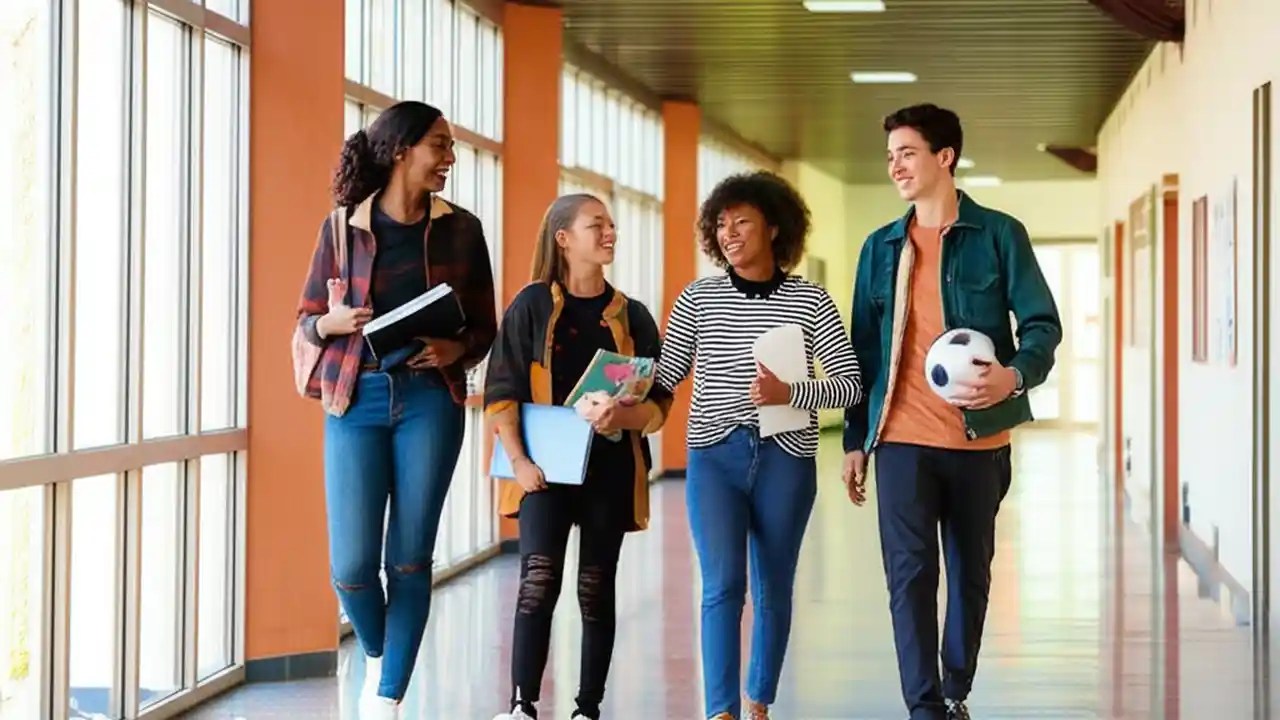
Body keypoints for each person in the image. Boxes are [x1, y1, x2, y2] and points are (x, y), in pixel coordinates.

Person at [841, 103, 1062, 720]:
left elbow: (1042, 324)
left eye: (907, 153)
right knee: (908, 579)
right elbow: (861, 348)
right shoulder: (879, 247)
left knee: (969, 576)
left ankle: (954, 687)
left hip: (978, 443)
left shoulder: (999, 235)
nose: (896, 167)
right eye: (890, 156)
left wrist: (1014, 379)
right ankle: (924, 707)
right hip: (901, 440)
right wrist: (855, 440)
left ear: (945, 157)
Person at [292, 101, 497, 720]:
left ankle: (387, 699)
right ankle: (382, 652)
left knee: (408, 558)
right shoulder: (339, 230)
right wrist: (332, 321)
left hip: (432, 402)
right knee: (352, 567)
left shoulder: (463, 230)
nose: (450, 160)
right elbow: (305, 321)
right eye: (440, 146)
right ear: (401, 150)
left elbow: (484, 325)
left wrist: (454, 347)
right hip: (355, 397)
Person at [656, 171, 863, 720]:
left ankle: (758, 701)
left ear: (773, 228)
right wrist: (617, 392)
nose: (729, 234)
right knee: (722, 585)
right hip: (714, 457)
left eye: (741, 222)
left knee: (773, 587)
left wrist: (787, 391)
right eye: (720, 225)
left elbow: (848, 384)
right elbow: (665, 375)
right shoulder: (698, 298)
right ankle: (720, 710)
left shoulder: (810, 300)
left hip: (786, 459)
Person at [484, 194, 674, 720]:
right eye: (597, 225)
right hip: (543, 471)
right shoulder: (530, 306)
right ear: (564, 238)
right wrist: (519, 463)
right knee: (537, 580)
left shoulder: (631, 315)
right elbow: (502, 392)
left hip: (610, 471)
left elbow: (658, 402)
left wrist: (623, 418)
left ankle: (587, 708)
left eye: (612, 224)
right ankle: (523, 705)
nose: (609, 232)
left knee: (596, 586)